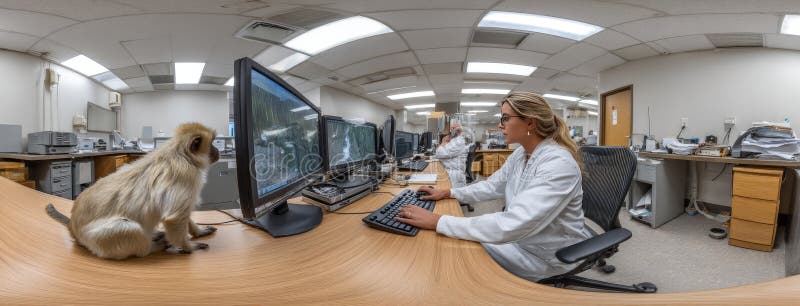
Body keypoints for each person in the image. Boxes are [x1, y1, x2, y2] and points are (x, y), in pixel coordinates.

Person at [395, 92, 591, 281]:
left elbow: (514, 223)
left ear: (530, 122)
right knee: (447, 241)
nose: (500, 124)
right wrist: (449, 192)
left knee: (449, 253)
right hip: (521, 239)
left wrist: (437, 221)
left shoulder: (558, 164)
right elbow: (491, 186)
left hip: (544, 255)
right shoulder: (521, 154)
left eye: (505, 118)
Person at [434, 123, 469, 188]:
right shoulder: (453, 140)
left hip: (454, 175)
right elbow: (442, 152)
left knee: (453, 196)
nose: (452, 130)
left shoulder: (459, 141)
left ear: (460, 130)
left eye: (454, 128)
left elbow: (440, 154)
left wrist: (443, 142)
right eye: (451, 128)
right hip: (449, 171)